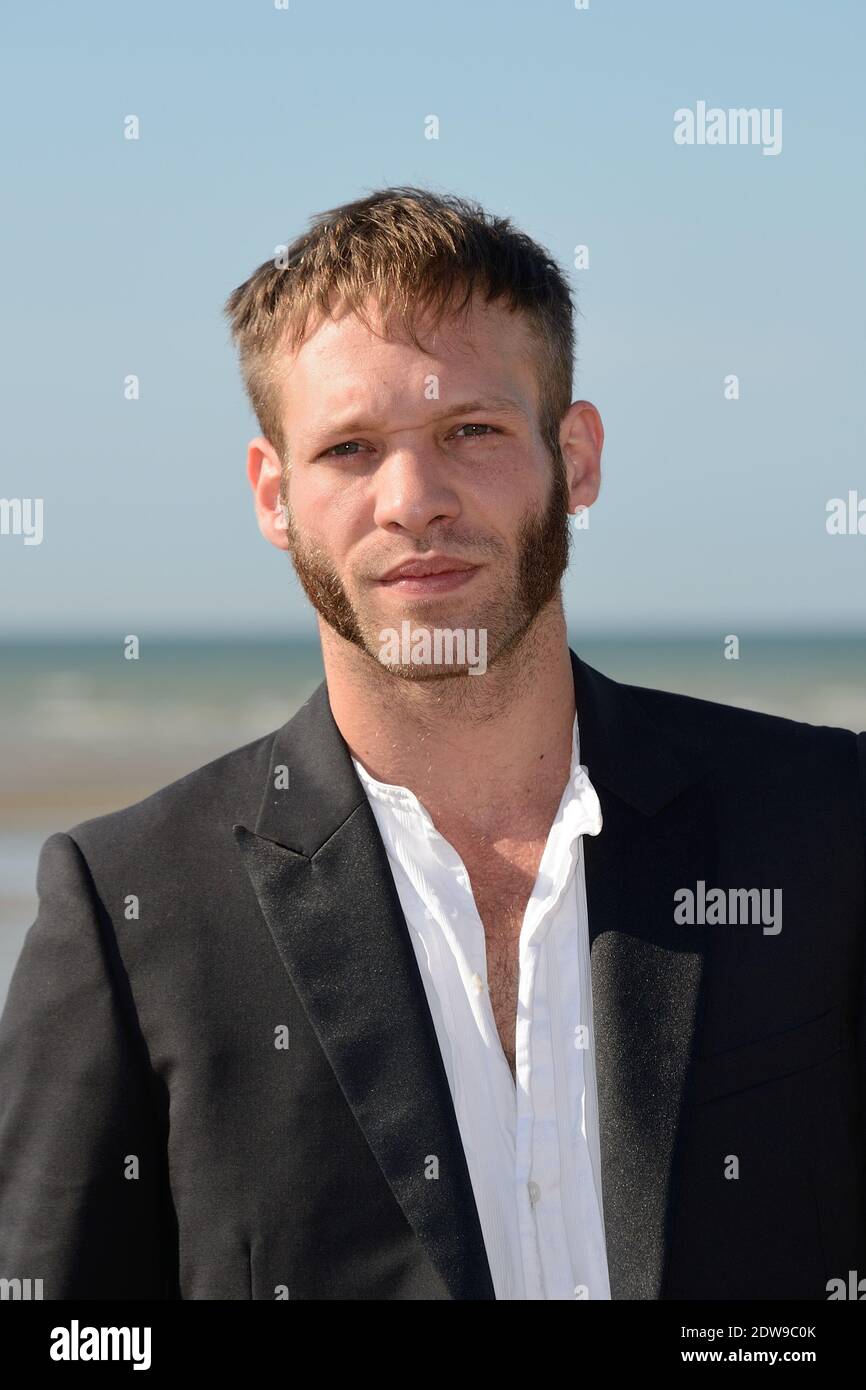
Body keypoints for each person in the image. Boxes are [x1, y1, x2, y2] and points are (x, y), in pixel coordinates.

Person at [1, 187, 864, 1301]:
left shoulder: (822, 823)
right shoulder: (130, 914)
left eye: (469, 430)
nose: (412, 500)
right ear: (274, 495)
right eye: (351, 448)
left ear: (576, 454)